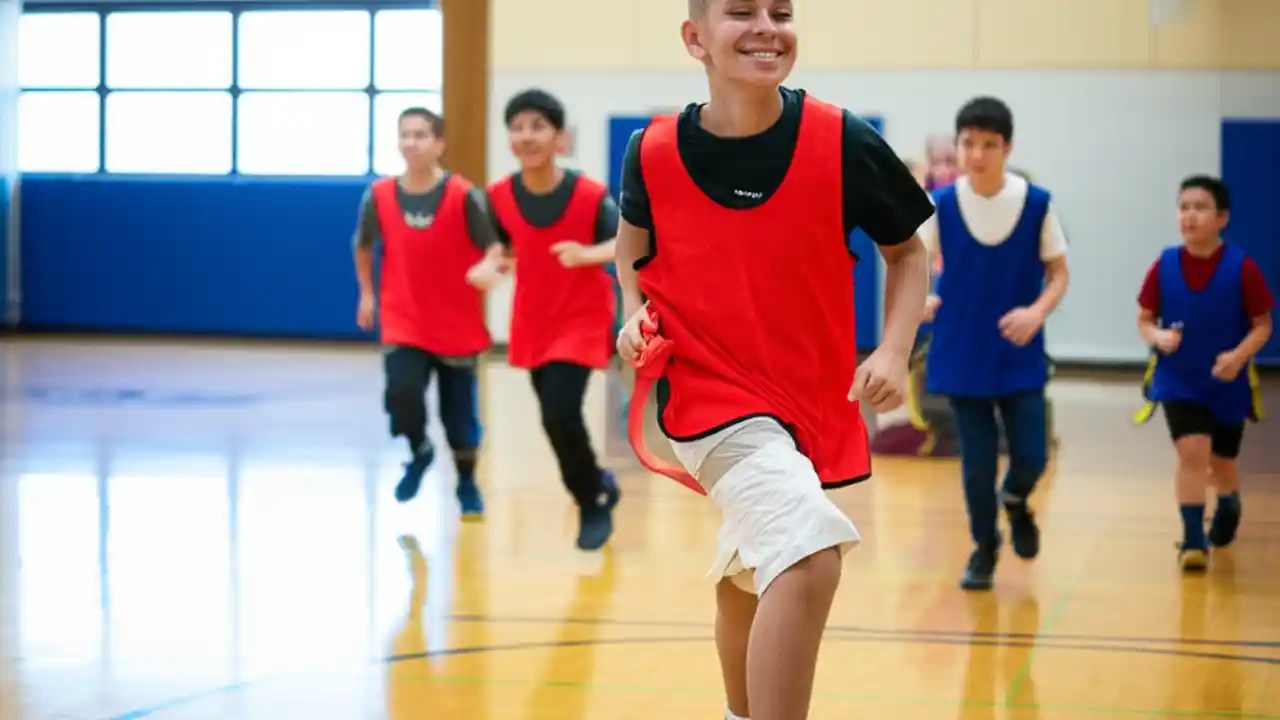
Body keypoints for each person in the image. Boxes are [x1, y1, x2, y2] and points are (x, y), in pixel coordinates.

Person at [614, 2, 933, 718]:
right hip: (707, 397)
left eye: (781, 12)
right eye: (740, 12)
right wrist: (632, 312)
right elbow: (630, 252)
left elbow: (909, 251)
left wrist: (892, 346)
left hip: (808, 400)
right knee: (808, 555)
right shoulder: (653, 150)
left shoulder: (842, 138)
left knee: (752, 573)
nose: (767, 25)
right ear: (695, 38)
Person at [919, 96, 1071, 592]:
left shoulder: (1036, 203)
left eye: (988, 144)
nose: (977, 153)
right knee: (976, 466)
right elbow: (914, 268)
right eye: (968, 143)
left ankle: (1017, 500)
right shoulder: (939, 207)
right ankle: (984, 549)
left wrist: (1037, 311)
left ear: (1007, 147)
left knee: (1031, 456)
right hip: (962, 351)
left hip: (1018, 350)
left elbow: (1058, 273)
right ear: (958, 146)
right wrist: (920, 299)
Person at [467, 88, 622, 552]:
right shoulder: (497, 197)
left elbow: (624, 244)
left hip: (582, 316)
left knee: (560, 410)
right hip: (534, 319)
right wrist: (488, 269)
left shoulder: (591, 196)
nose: (526, 136)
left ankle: (590, 501)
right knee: (553, 419)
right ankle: (597, 482)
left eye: (538, 126)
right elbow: (501, 252)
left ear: (560, 137)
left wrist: (585, 254)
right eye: (517, 127)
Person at [353, 107, 502, 516]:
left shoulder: (462, 195)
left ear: (439, 143)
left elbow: (494, 247)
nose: (411, 143)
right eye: (405, 135)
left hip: (456, 324)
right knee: (401, 395)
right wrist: (367, 294)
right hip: (404, 320)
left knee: (459, 418)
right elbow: (363, 245)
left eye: (420, 135)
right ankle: (419, 450)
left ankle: (468, 484)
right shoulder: (380, 195)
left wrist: (489, 266)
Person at [1134, 175, 1273, 572]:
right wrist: (1158, 336)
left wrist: (1238, 356)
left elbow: (1263, 325)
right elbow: (1144, 320)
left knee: (1222, 461)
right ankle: (1193, 539)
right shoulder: (1164, 264)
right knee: (1192, 453)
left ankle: (1228, 501)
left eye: (1200, 207)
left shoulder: (1242, 267)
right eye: (1184, 207)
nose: (1190, 215)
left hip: (1227, 382)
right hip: (1178, 379)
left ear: (1221, 217)